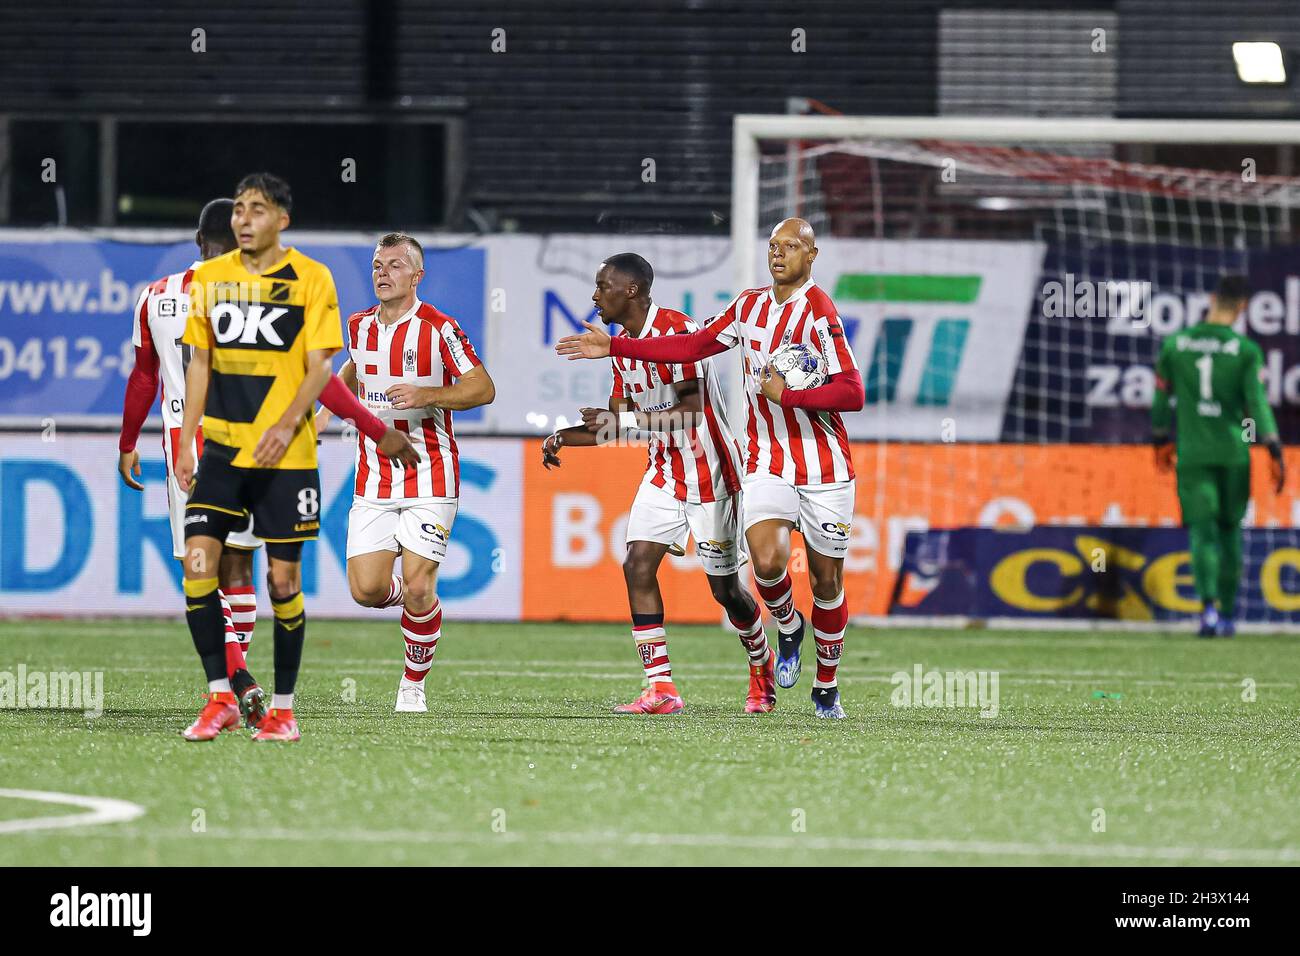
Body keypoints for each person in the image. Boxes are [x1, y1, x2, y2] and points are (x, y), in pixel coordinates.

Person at [557, 219, 864, 718]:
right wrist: (612, 352)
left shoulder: (818, 311)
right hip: (761, 459)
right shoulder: (748, 306)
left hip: (799, 467)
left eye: (790, 247)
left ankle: (825, 685)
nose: (778, 254)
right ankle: (777, 631)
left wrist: (789, 396)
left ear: (811, 255)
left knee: (818, 584)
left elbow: (852, 392)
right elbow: (693, 348)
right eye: (773, 246)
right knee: (763, 564)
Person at [175, 173, 417, 741]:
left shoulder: (311, 278)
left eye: (256, 209)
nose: (243, 218)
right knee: (198, 565)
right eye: (238, 208)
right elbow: (200, 363)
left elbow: (320, 371)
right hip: (223, 449)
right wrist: (188, 440)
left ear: (281, 219)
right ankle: (221, 697)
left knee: (282, 581)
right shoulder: (209, 278)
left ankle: (283, 711)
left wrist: (291, 428)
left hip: (287, 457)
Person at [542, 253, 775, 715]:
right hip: (665, 472)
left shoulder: (677, 331)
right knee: (637, 564)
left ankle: (760, 661)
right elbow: (616, 423)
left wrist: (623, 419)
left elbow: (691, 412)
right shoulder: (621, 348)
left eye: (602, 286)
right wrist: (563, 437)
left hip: (712, 474)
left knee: (725, 591)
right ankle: (661, 688)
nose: (594, 296)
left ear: (630, 290)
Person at [315, 233, 495, 713]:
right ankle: (419, 604)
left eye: (395, 265)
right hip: (374, 477)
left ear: (417, 276)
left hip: (431, 473)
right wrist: (327, 412)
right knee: (366, 591)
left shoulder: (439, 327)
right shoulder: (358, 325)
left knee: (418, 584)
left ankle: (412, 684)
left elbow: (483, 388)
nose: (383, 272)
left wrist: (428, 394)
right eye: (378, 264)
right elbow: (354, 366)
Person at [1152, 273, 1285, 637]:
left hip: (1193, 453)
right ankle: (1227, 615)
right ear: (1242, 307)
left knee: (1202, 531)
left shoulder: (1176, 345)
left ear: (1211, 300)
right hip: (1234, 453)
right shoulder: (1245, 351)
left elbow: (1162, 399)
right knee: (1230, 533)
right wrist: (1270, 445)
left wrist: (1160, 439)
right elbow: (1255, 404)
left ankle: (1207, 611)